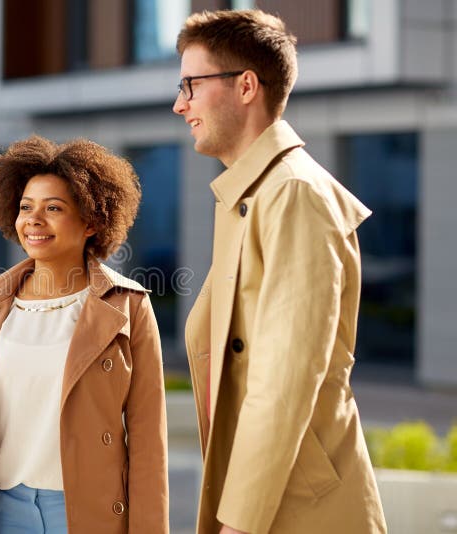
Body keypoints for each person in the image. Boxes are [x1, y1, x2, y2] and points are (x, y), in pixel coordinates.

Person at [173, 9, 387, 534]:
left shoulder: (292, 194)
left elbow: (286, 375)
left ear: (246, 86)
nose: (180, 104)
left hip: (299, 509)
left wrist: (241, 523)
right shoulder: (255, 194)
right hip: (282, 499)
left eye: (191, 85)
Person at [0, 135, 169, 534]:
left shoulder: (129, 307)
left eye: (53, 208)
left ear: (91, 221)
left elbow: (148, 442)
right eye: (26, 208)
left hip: (85, 514)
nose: (33, 221)